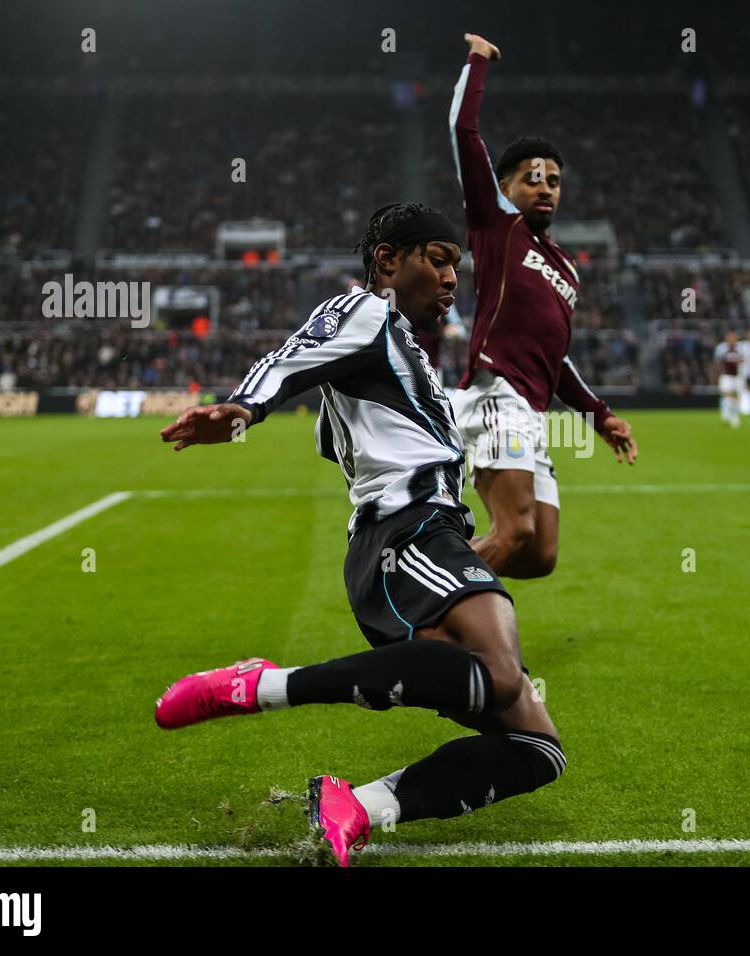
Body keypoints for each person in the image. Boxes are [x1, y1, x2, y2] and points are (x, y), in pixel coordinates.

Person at [155, 203, 564, 867]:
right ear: (386, 261)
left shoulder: (403, 351)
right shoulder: (363, 311)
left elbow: (331, 433)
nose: (450, 277)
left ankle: (360, 807)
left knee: (537, 749)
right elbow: (295, 357)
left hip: (427, 537)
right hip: (406, 534)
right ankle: (257, 687)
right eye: (436, 259)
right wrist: (242, 409)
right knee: (497, 674)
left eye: (456, 265)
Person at [448, 32, 637, 580]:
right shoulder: (497, 225)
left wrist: (600, 416)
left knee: (540, 556)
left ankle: (447, 571)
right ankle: (422, 619)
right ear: (504, 187)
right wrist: (478, 61)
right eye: (533, 179)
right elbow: (464, 129)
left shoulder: (566, 267)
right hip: (495, 398)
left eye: (554, 180)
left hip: (531, 413)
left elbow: (556, 361)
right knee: (516, 533)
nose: (547, 187)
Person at [713, 330, 743, 427]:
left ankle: (734, 416)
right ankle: (726, 415)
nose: (732, 339)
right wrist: (717, 374)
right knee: (726, 395)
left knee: (736, 397)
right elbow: (717, 362)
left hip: (738, 376)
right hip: (726, 376)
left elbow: (743, 361)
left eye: (734, 337)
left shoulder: (740, 348)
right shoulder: (721, 348)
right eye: (730, 337)